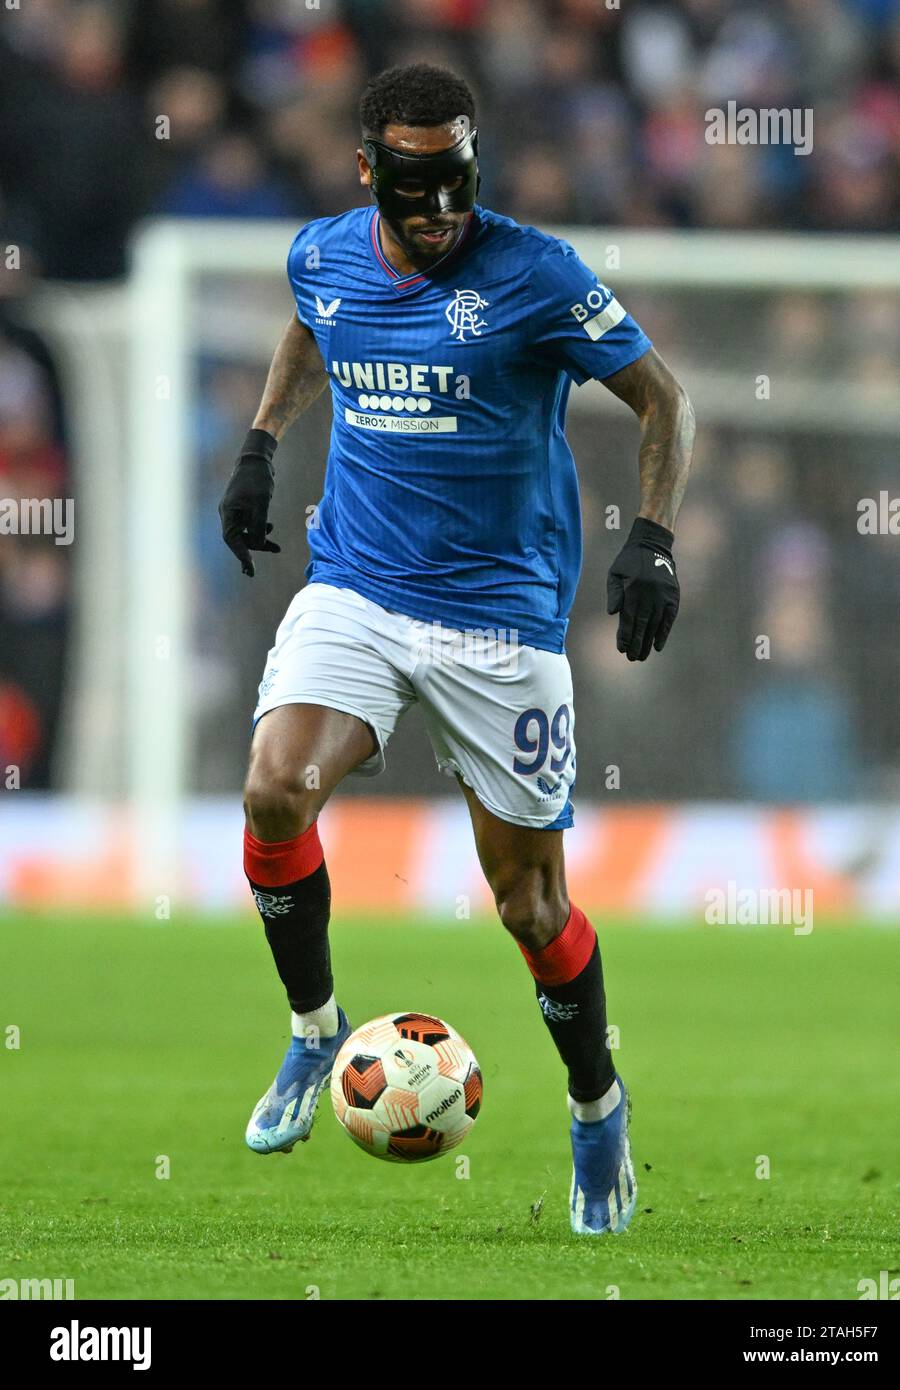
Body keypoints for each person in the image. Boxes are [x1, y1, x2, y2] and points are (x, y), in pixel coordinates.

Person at [219, 63, 694, 1236]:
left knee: (530, 909)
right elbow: (311, 324)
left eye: (457, 185)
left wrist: (654, 538)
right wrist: (260, 444)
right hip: (361, 589)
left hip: (501, 620)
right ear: (369, 171)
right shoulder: (325, 254)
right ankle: (314, 1032)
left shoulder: (533, 271)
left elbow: (662, 401)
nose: (437, 214)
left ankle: (596, 1112)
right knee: (275, 790)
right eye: (413, 189)